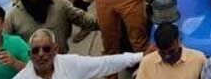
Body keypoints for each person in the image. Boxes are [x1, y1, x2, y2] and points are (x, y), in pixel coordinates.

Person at [4, 0, 97, 52]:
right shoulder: (14, 15)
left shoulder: (60, 3)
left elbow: (85, 20)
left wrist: (106, 22)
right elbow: (5, 42)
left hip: (60, 61)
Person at [12, 28, 142, 79]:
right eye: (35, 50)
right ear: (29, 54)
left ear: (55, 49)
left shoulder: (71, 63)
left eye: (46, 49)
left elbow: (105, 63)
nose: (41, 55)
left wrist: (141, 56)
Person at [138, 22, 206, 79]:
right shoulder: (147, 63)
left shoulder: (198, 59)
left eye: (172, 51)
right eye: (162, 53)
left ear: (178, 41)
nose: (167, 56)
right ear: (156, 47)